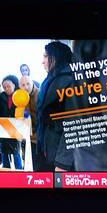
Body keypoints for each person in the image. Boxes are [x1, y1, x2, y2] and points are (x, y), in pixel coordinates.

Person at [35, 41, 76, 172]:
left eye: (46, 56)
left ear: (56, 57)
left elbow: (74, 124)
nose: (42, 61)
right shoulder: (50, 80)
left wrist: (62, 164)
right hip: (48, 151)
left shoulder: (71, 81)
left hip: (63, 159)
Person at [0, 74, 22, 168]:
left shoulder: (20, 95)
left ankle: (19, 173)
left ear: (14, 85)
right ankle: (6, 173)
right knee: (4, 153)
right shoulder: (1, 97)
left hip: (16, 129)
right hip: (3, 128)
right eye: (4, 87)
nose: (6, 89)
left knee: (16, 153)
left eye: (8, 86)